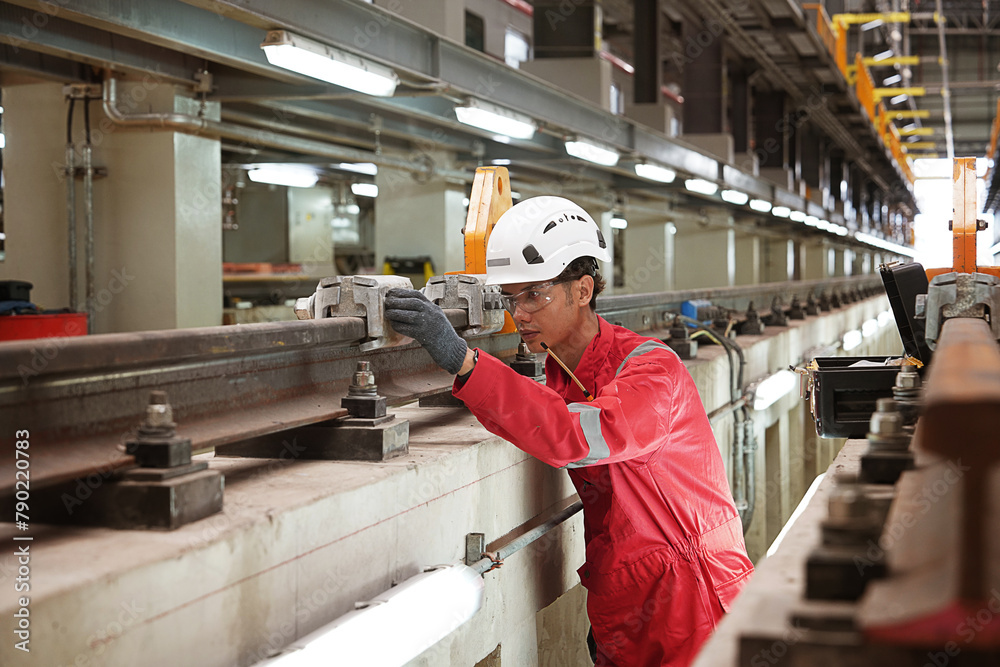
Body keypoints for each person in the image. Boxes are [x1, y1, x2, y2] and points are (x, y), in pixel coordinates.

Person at [384, 196, 753, 667]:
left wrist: (466, 362)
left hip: (692, 601)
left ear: (583, 290)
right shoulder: (564, 375)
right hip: (628, 605)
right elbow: (543, 418)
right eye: (511, 299)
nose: (521, 314)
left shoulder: (652, 370)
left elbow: (576, 436)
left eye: (534, 295)